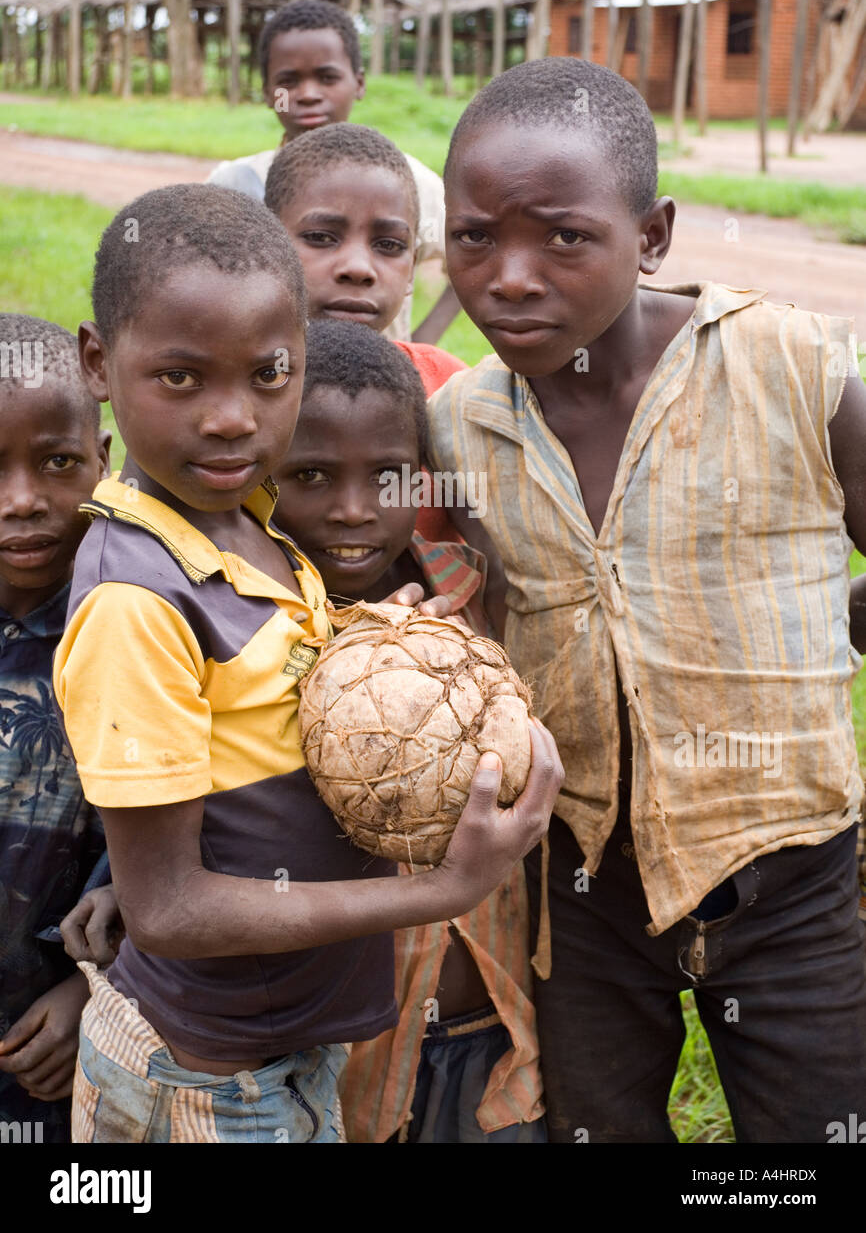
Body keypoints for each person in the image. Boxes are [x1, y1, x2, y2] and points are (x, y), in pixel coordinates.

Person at [52, 182, 562, 1144]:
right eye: (181, 378)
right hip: (200, 1073)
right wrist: (439, 892)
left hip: (284, 1043)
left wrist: (377, 654)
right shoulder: (138, 596)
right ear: (97, 364)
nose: (232, 419)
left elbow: (262, 723)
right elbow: (166, 909)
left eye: (269, 374)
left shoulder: (255, 534)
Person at [426, 57, 866, 1144]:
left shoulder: (794, 370)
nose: (511, 277)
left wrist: (824, 634)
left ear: (652, 234)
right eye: (474, 236)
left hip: (789, 872)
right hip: (580, 885)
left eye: (563, 237)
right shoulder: (457, 426)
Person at [273, 319, 546, 1143]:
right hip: (343, 1058)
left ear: (423, 481)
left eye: (388, 478)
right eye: (310, 475)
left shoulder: (474, 597)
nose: (354, 511)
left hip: (497, 1040)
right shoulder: (262, 636)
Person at [0, 315, 110, 1141]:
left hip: (65, 1051)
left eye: (58, 463)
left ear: (104, 457)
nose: (24, 501)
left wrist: (93, 991)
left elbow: (192, 841)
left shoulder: (132, 625)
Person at [207, 0, 459, 342]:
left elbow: (469, 259)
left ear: (359, 83)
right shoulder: (235, 186)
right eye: (288, 81)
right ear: (268, 92)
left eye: (327, 77)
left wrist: (419, 349)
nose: (308, 94)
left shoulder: (409, 183)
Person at [264, 121, 466, 544]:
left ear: (412, 267)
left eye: (389, 245)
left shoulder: (448, 392)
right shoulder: (237, 392)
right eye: (321, 237)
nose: (358, 267)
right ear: (268, 248)